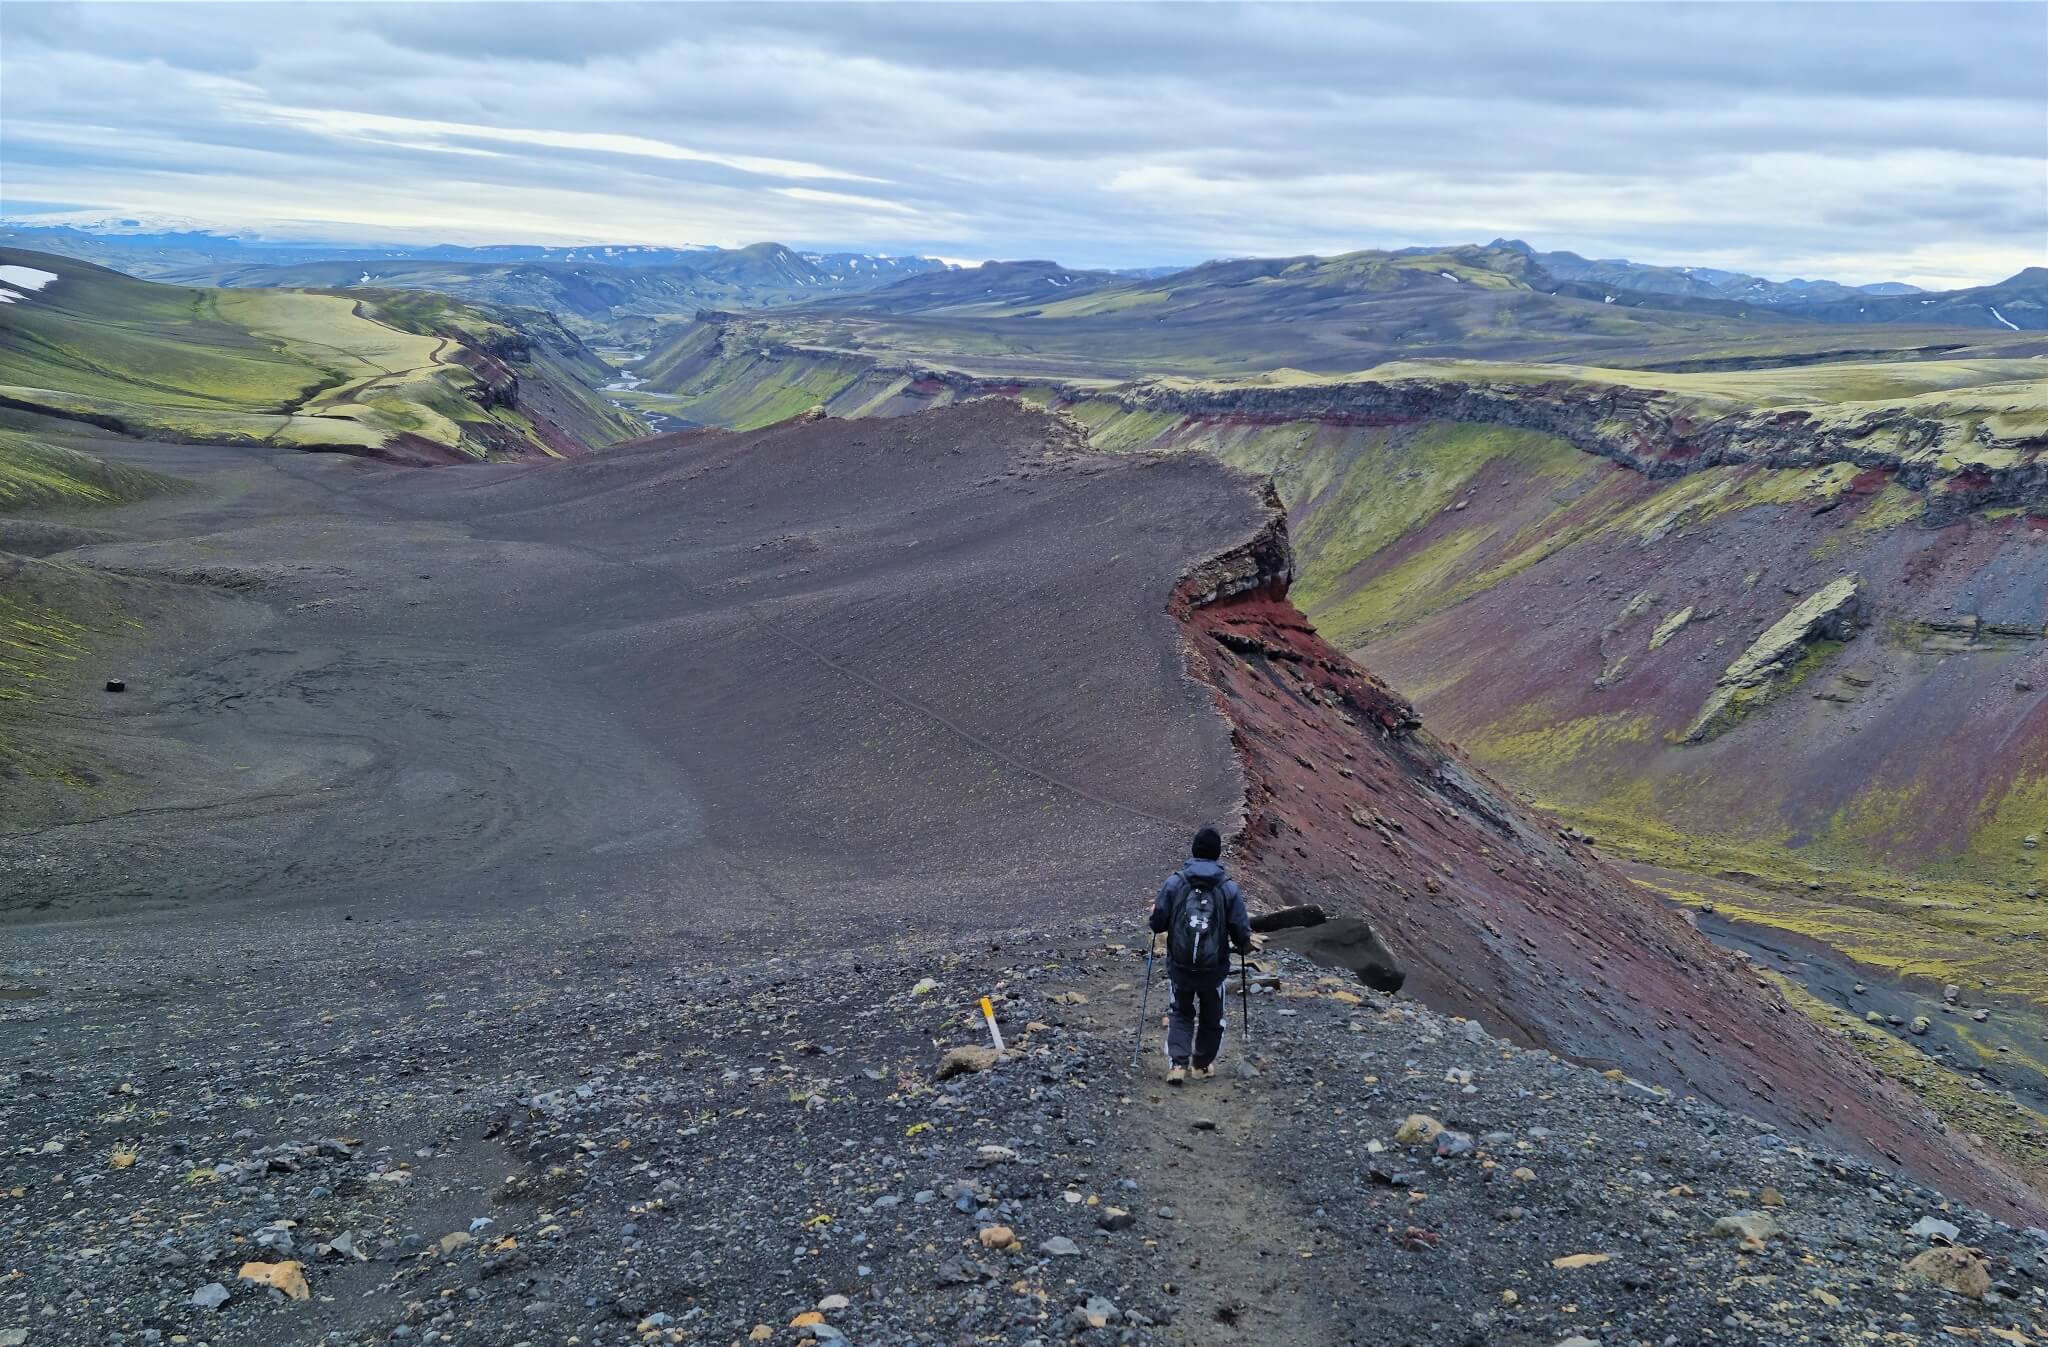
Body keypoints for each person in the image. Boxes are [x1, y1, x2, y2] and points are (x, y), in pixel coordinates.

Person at [1149, 826, 1252, 1084]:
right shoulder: (1228, 887)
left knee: (1181, 1012)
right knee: (1212, 1016)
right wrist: (1242, 943)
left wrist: (1155, 915)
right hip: (1213, 968)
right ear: (1218, 854)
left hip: (1181, 965)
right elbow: (1240, 930)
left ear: (1193, 851)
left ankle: (1177, 1065)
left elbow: (1157, 923)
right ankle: (1202, 1064)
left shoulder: (1176, 882)